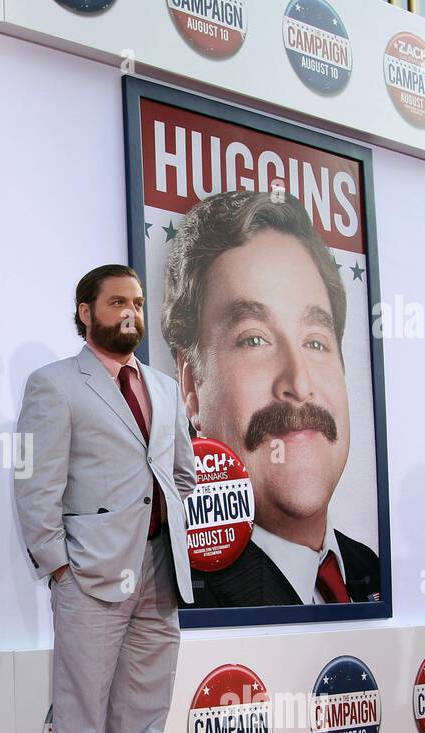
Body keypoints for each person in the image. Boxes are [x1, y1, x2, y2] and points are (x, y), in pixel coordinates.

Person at [14, 264, 201, 733]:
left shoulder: (164, 388)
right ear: (85, 311)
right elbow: (35, 484)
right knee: (80, 721)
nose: (130, 312)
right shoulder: (54, 385)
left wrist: (165, 526)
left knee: (139, 721)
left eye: (137, 302)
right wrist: (59, 565)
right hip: (89, 575)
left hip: (160, 571)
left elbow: (181, 474)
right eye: (117, 301)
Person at [162, 190, 380, 607]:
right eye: (254, 339)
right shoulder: (175, 593)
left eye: (315, 342)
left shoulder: (370, 568)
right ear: (190, 386)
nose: (299, 381)